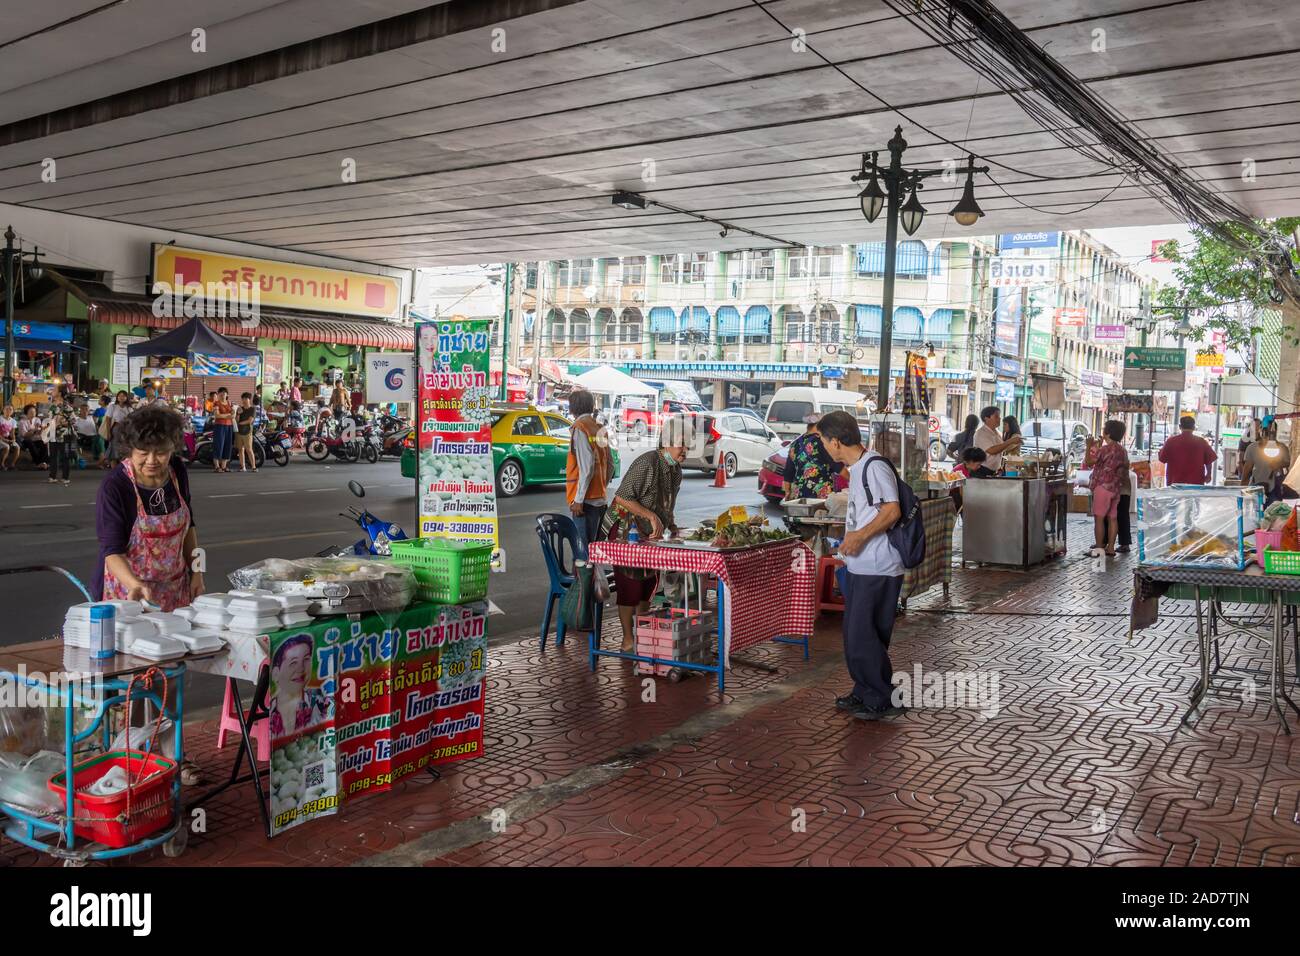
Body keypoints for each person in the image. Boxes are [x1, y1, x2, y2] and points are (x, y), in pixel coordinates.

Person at [818, 410, 907, 722]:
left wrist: (859, 537)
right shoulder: (857, 469)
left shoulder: (874, 467)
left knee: (863, 637)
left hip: (878, 566)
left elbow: (892, 511)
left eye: (824, 440)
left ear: (837, 441)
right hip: (861, 566)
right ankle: (865, 689)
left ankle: (882, 697)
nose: (824, 447)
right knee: (858, 636)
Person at [94, 403, 203, 611]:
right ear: (129, 449)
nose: (152, 460)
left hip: (176, 590)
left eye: (161, 452)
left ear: (173, 448)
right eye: (143, 452)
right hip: (130, 593)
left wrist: (198, 572)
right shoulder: (115, 486)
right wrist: (135, 585)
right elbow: (112, 551)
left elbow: (190, 527)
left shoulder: (177, 470)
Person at [600, 414, 692, 653]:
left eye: (688, 445)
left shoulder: (676, 471)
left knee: (648, 583)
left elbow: (666, 504)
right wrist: (651, 516)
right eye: (681, 444)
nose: (685, 449)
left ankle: (642, 632)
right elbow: (621, 497)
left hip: (647, 534)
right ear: (667, 442)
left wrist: (671, 525)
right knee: (630, 584)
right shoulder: (647, 463)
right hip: (623, 530)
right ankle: (627, 639)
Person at [565, 388, 612, 549]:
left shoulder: (580, 428)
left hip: (585, 503)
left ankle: (586, 575)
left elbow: (587, 468)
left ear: (572, 408)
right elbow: (609, 465)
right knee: (595, 551)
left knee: (583, 554)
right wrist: (602, 486)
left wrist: (578, 500)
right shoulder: (599, 428)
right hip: (600, 499)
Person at [1088, 419, 1130, 558]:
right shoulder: (1122, 450)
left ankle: (1100, 548)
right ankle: (1111, 548)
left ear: (1108, 433)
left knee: (1099, 519)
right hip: (1116, 488)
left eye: (1105, 429)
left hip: (1102, 487)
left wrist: (1089, 446)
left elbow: (1089, 462)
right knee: (1113, 518)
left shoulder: (1105, 449)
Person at [782, 414, 840, 500]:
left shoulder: (795, 444)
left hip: (798, 496)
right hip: (820, 496)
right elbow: (838, 467)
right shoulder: (822, 442)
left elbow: (788, 473)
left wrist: (787, 493)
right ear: (819, 426)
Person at [1242, 418, 1290, 504]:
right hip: (1256, 485)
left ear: (1275, 432)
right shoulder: (1252, 448)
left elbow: (1287, 463)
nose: (1268, 434)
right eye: (1266, 431)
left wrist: (1279, 464)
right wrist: (1242, 488)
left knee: (1273, 513)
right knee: (1255, 512)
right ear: (1261, 430)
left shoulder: (1282, 448)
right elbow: (1247, 469)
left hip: (1275, 487)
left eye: (1271, 431)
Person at [1159, 415, 1216, 485]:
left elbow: (1162, 459)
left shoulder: (1171, 441)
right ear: (1193, 428)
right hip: (1196, 484)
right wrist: (1208, 474)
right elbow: (1209, 461)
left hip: (1175, 484)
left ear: (1180, 427)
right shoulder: (1201, 442)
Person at [973, 406, 1020, 473]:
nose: (999, 418)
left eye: (999, 416)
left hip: (995, 470)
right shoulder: (981, 433)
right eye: (996, 416)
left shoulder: (997, 432)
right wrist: (1010, 441)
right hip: (983, 470)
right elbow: (992, 450)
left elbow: (1002, 448)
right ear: (987, 418)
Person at [104, 390, 132, 466]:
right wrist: (108, 432)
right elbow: (108, 419)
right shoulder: (112, 406)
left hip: (126, 430)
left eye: (123, 396)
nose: (121, 397)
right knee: (114, 448)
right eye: (120, 396)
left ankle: (122, 470)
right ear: (117, 397)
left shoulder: (129, 408)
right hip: (116, 428)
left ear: (126, 398)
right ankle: (114, 470)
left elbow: (132, 419)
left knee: (124, 448)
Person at [210, 387, 235, 473]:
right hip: (219, 426)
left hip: (229, 426)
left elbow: (233, 414)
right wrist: (228, 415)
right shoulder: (216, 403)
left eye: (224, 393)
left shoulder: (229, 403)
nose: (222, 394)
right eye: (221, 393)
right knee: (218, 445)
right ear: (218, 394)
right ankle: (217, 466)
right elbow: (217, 415)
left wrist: (226, 415)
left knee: (227, 446)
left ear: (227, 394)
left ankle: (224, 466)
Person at [17, 404, 48, 470]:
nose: (33, 413)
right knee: (30, 443)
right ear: (26, 412)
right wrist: (34, 430)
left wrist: (42, 429)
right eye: (31, 412)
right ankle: (39, 463)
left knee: (43, 443)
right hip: (24, 441)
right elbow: (24, 435)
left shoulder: (37, 419)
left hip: (35, 439)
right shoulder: (22, 422)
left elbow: (39, 433)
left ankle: (43, 462)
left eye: (34, 412)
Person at [234, 392, 257, 472]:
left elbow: (250, 421)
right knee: (240, 449)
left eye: (245, 399)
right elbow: (236, 420)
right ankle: (242, 467)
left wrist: (239, 423)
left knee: (249, 449)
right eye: (242, 399)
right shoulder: (240, 408)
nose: (243, 400)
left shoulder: (253, 409)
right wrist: (238, 414)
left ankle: (253, 467)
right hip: (239, 432)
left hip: (247, 432)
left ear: (249, 399)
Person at [0, 403, 19, 470]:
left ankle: (12, 464)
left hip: (7, 438)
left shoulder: (13, 421)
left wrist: (13, 439)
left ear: (13, 411)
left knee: (17, 447)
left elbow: (12, 433)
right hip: (1, 438)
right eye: (6, 409)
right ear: (3, 410)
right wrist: (5, 440)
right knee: (6, 446)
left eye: (10, 409)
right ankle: (2, 464)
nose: (8, 411)